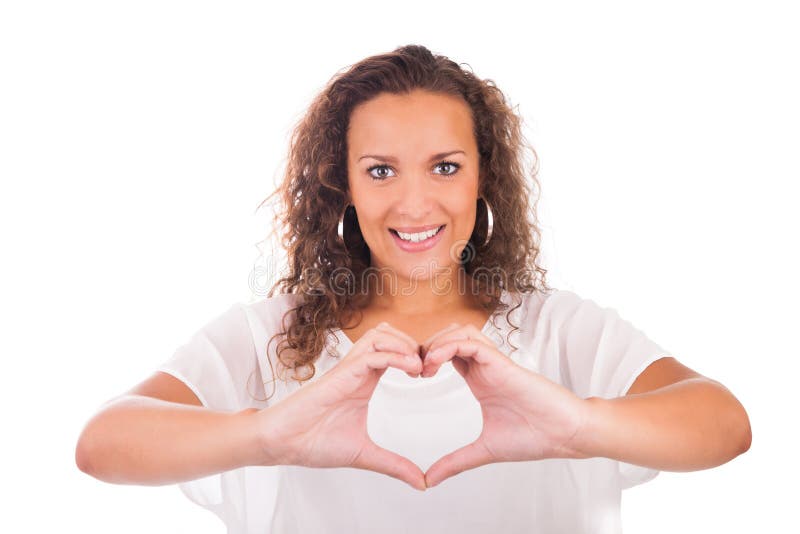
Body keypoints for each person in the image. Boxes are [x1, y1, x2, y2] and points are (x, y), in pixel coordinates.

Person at [75, 44, 752, 534]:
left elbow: (724, 424)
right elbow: (103, 443)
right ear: (341, 184)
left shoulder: (559, 332)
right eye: (380, 171)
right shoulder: (269, 337)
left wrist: (578, 427)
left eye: (445, 166)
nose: (415, 203)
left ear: (483, 178)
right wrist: (267, 437)